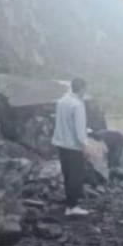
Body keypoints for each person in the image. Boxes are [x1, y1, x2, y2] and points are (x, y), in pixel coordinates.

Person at [52, 78, 89, 217]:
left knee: (67, 175)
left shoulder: (62, 101)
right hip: (73, 146)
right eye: (85, 89)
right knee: (76, 176)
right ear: (82, 89)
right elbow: (80, 130)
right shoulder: (77, 105)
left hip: (61, 144)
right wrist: (85, 146)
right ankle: (72, 206)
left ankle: (69, 202)